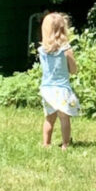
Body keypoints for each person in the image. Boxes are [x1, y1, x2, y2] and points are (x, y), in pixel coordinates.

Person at [38, 12, 80, 149]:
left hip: (47, 89)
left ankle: (46, 143)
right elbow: (73, 70)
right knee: (64, 117)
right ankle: (65, 144)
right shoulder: (66, 49)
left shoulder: (42, 50)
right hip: (61, 89)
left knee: (49, 118)